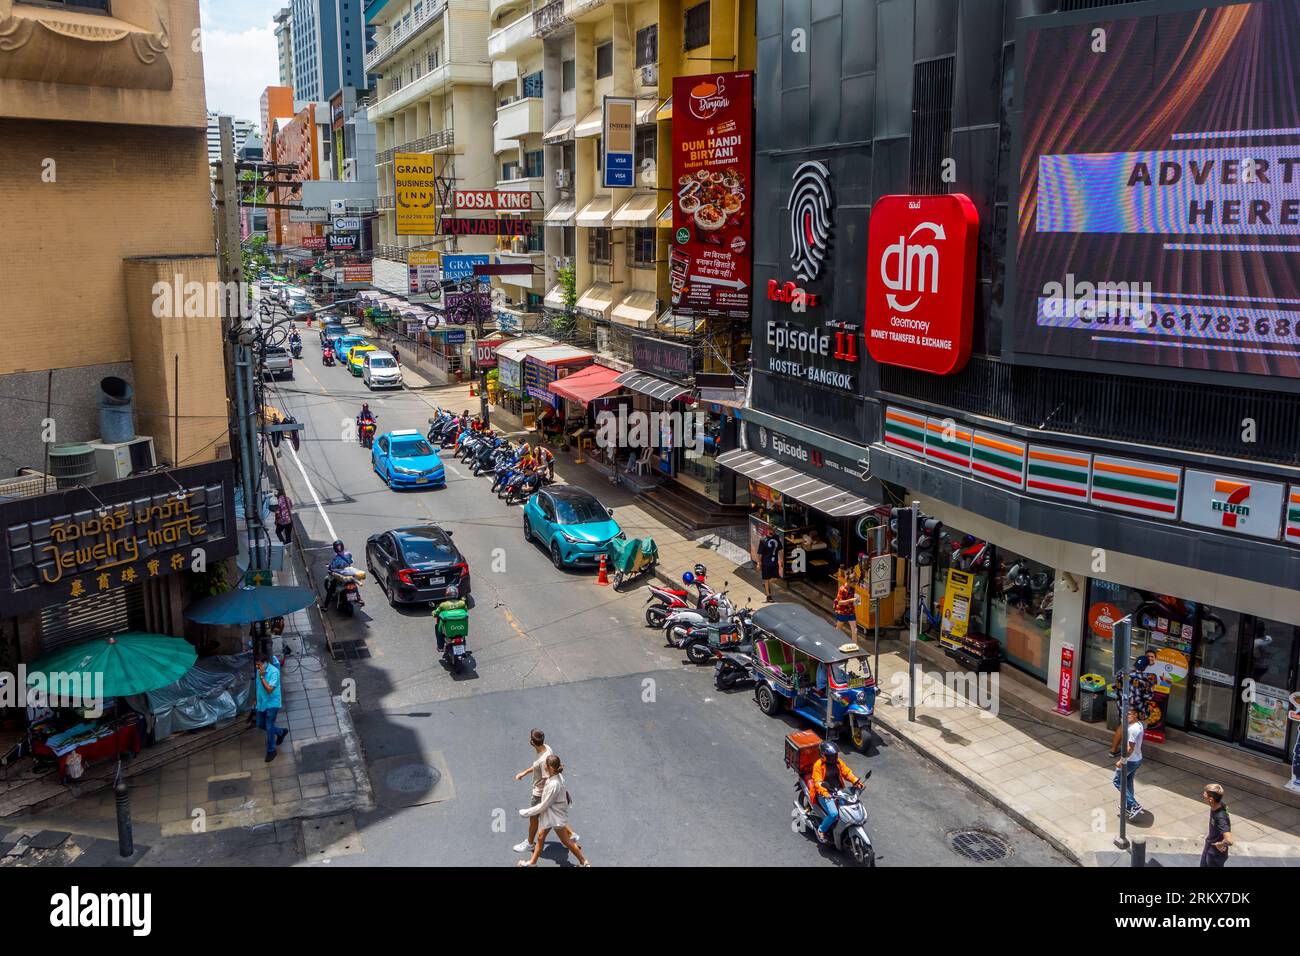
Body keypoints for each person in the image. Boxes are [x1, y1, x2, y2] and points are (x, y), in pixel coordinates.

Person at [518, 755, 589, 867]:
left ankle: (584, 862)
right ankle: (532, 863)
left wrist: (526, 812)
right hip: (551, 815)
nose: (544, 766)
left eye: (546, 764)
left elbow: (544, 805)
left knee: (566, 841)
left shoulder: (554, 784)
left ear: (550, 767)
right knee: (541, 837)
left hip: (555, 817)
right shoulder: (554, 776)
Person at [810, 741, 863, 844]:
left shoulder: (838, 762)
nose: (834, 757)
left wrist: (856, 781)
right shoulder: (818, 765)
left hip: (839, 791)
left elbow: (847, 772)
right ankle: (821, 830)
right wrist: (825, 793)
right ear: (823, 755)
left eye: (835, 755)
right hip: (824, 794)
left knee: (849, 806)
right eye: (831, 756)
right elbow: (818, 782)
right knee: (834, 814)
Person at [513, 728, 555, 854]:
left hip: (539, 793)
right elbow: (538, 766)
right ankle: (570, 835)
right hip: (542, 792)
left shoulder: (543, 761)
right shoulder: (547, 748)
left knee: (533, 817)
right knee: (553, 815)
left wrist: (546, 796)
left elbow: (547, 777)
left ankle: (530, 844)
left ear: (531, 741)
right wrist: (525, 772)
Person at [1109, 654, 1155, 756]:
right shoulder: (1147, 679)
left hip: (1124, 707)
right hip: (1139, 710)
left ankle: (1113, 749)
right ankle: (1131, 754)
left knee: (1122, 726)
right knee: (1136, 731)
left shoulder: (1122, 674)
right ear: (1145, 667)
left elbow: (1115, 687)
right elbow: (1149, 697)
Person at [255, 650, 288, 763]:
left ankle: (271, 750)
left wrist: (262, 677)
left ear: (265, 663)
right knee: (260, 724)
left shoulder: (274, 672)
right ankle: (280, 732)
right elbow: (258, 686)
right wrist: (255, 699)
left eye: (259, 664)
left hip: (272, 703)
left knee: (269, 726)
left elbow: (269, 690)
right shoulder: (259, 670)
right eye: (257, 664)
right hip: (262, 703)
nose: (257, 666)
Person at [1113, 709, 1145, 820]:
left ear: (1136, 715)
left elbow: (1130, 748)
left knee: (1117, 781)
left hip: (1130, 761)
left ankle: (1134, 805)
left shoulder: (1133, 729)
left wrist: (1121, 761)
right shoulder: (1139, 724)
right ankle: (1129, 805)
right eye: (1125, 714)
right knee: (1128, 781)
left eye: (1129, 714)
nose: (1126, 716)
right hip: (1137, 759)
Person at [1199, 783, 1233, 867]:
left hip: (1215, 854)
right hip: (1210, 846)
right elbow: (1227, 811)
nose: (1203, 794)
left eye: (1205, 793)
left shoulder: (1220, 817)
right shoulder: (1221, 805)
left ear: (1211, 799)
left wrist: (1220, 844)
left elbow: (1229, 840)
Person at [759, 531, 781, 602]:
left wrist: (782, 559)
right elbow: (760, 553)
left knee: (775, 578)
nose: (773, 533)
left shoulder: (776, 538)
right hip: (765, 563)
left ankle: (766, 585)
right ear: (768, 530)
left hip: (774, 562)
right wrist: (758, 563)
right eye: (771, 531)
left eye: (774, 531)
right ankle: (768, 596)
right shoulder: (763, 540)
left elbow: (780, 549)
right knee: (766, 578)